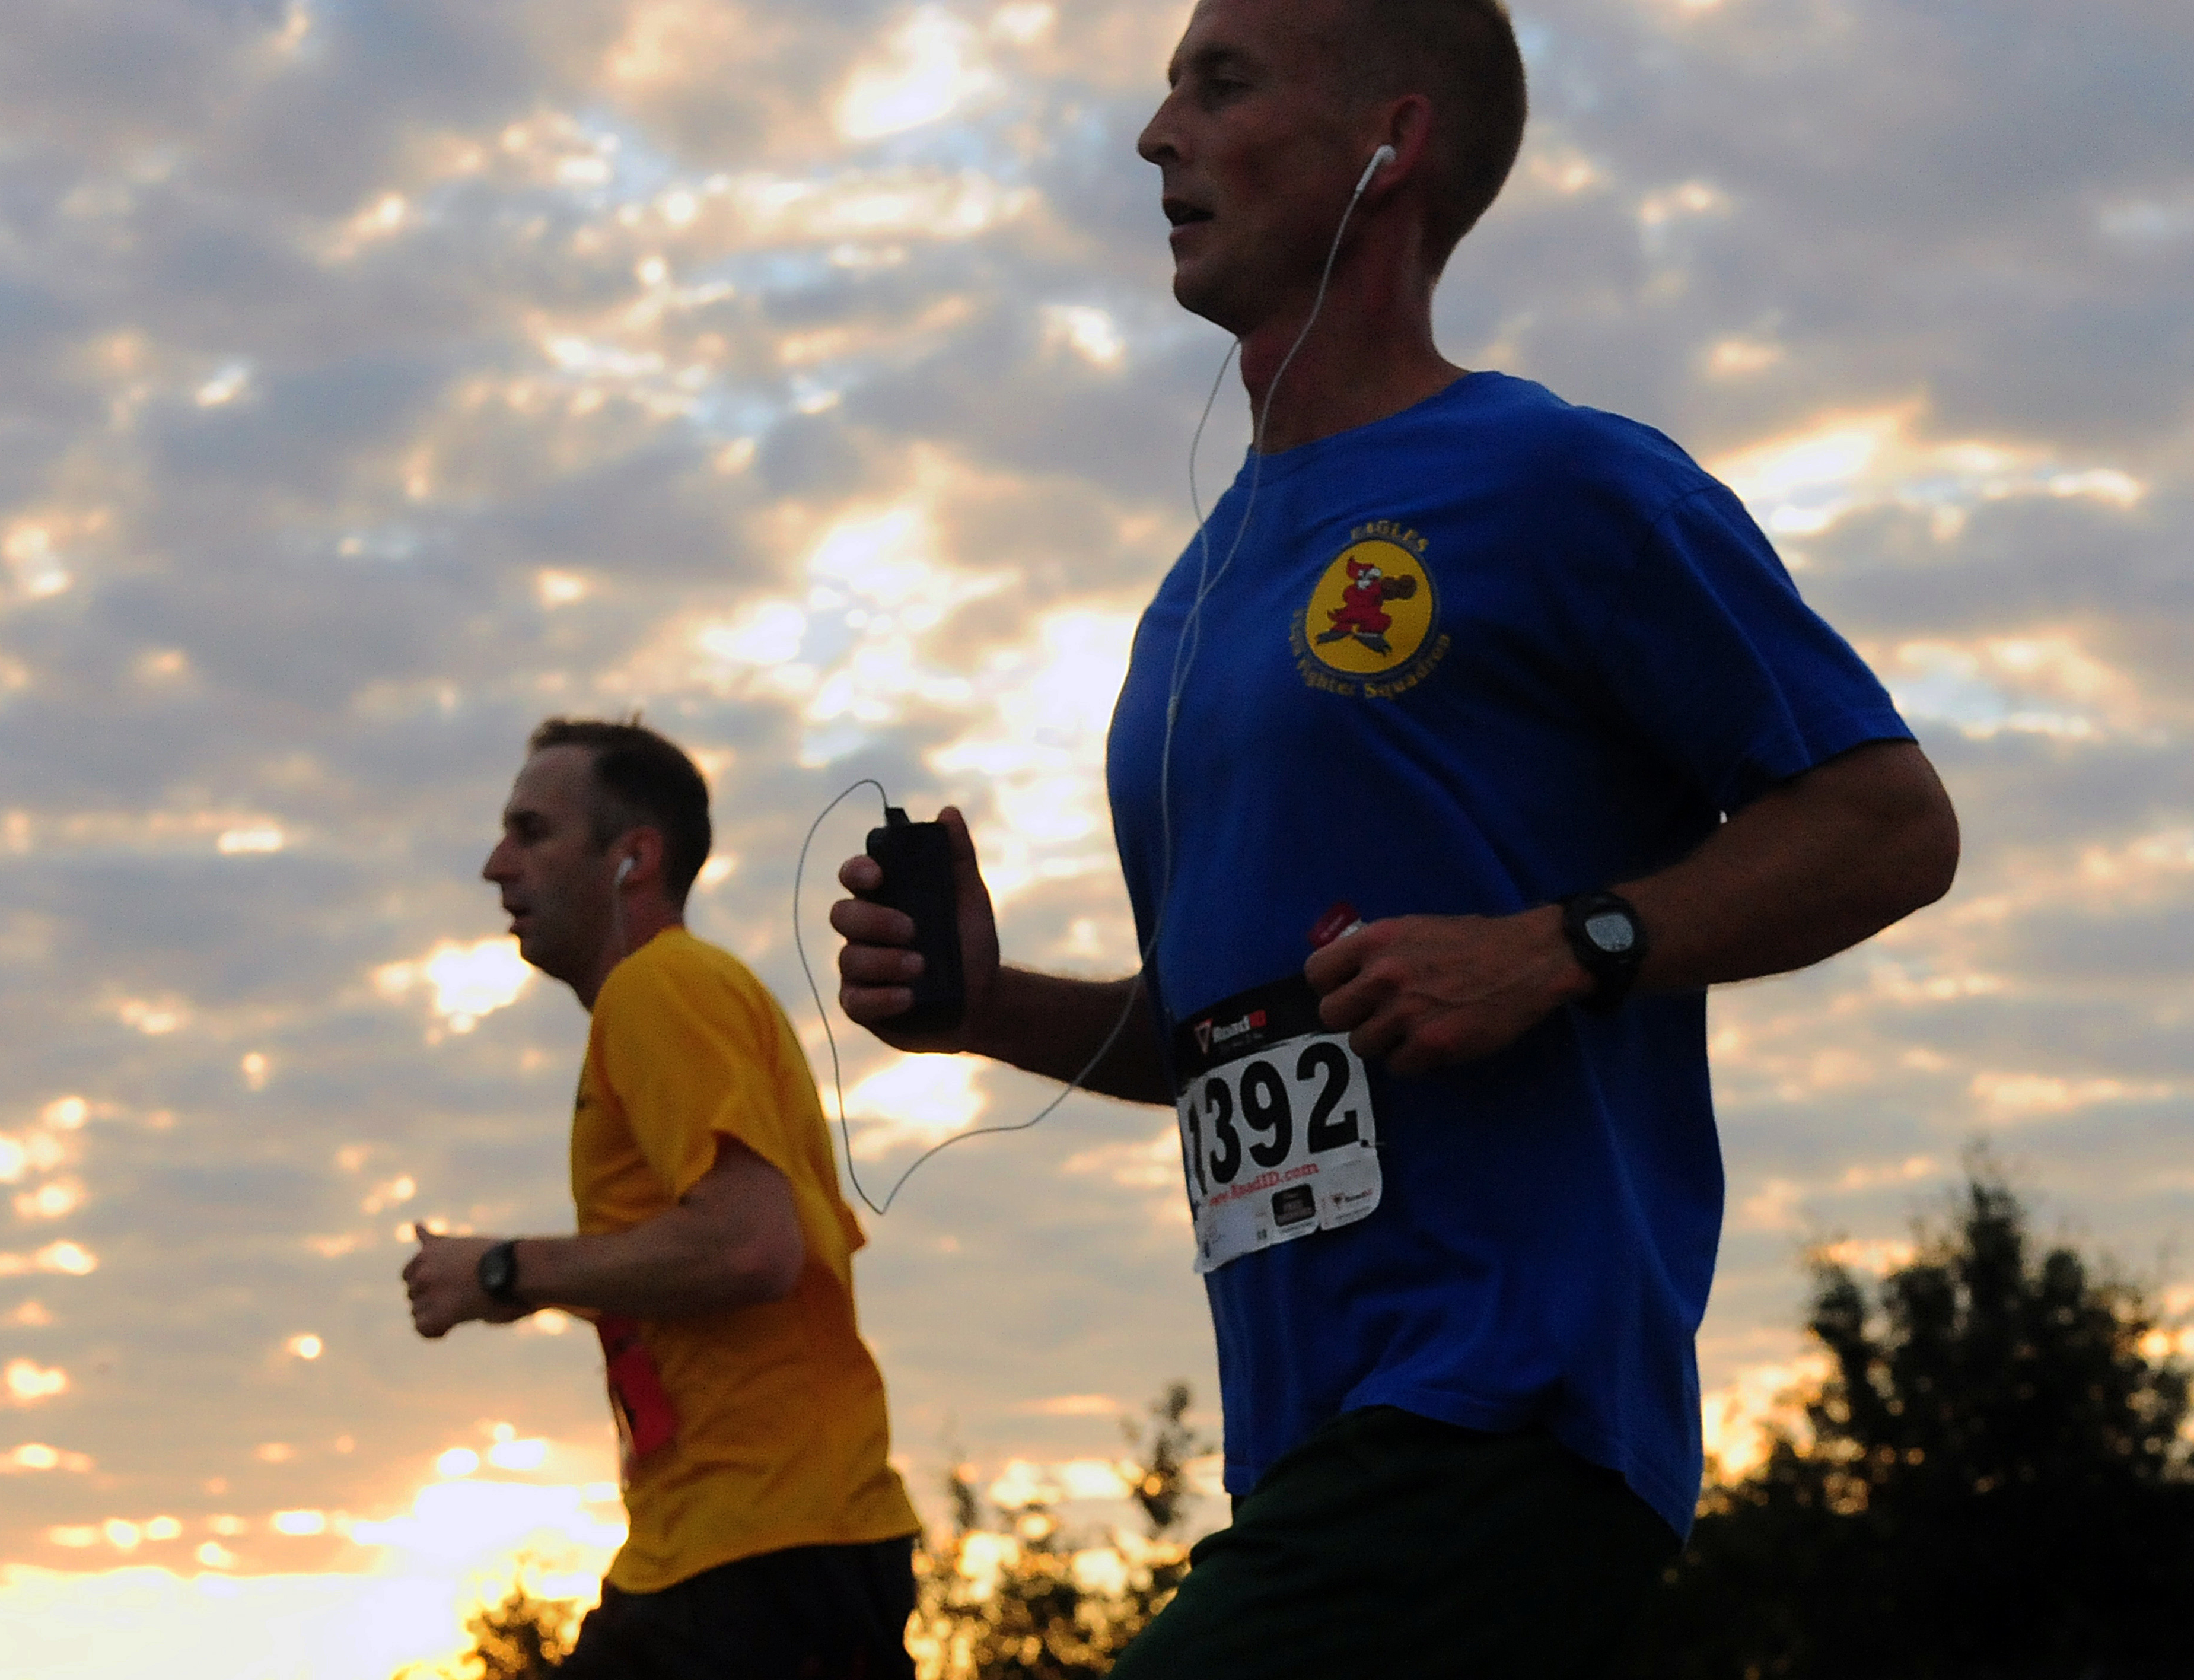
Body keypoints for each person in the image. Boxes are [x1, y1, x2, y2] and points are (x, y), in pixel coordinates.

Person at [829, 0, 1962, 1673]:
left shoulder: (1562, 482)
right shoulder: (1187, 603)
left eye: (1220, 86)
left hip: (1512, 1403)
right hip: (1303, 1447)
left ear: (1393, 145)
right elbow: (1233, 1032)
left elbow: (1888, 821)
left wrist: (1562, 948)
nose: (1157, 138)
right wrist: (992, 1003)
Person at [406, 718, 921, 1680]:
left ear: (631, 859)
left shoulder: (661, 988)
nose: (494, 864)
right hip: (740, 1551)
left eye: (531, 831)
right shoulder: (676, 997)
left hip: (759, 1555)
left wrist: (503, 1270)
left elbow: (750, 1249)